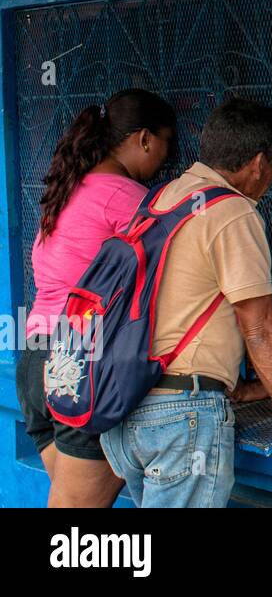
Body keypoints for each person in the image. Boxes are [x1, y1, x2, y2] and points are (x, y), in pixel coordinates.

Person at [99, 97, 272, 508]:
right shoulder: (231, 211)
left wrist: (245, 389)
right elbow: (260, 324)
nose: (271, 177)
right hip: (179, 419)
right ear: (260, 163)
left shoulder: (164, 197)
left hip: (128, 410)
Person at [17, 89, 177, 508]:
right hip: (79, 362)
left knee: (70, 504)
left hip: (36, 359)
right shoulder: (127, 198)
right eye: (166, 144)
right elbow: (178, 268)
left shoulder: (68, 188)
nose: (166, 158)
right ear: (144, 139)